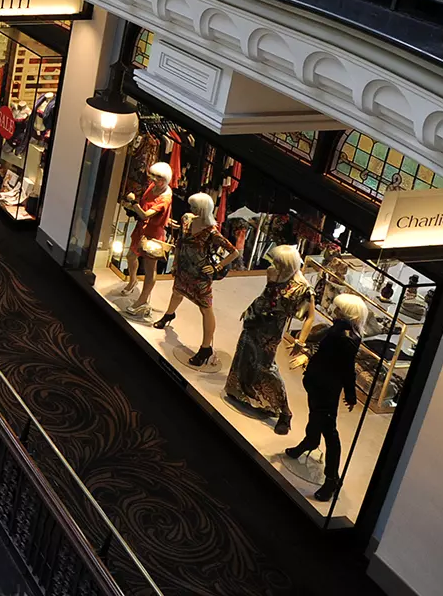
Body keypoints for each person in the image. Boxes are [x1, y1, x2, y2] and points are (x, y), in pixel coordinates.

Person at [283, 293, 365, 502]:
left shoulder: (345, 336)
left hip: (327, 387)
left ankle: (332, 479)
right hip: (319, 383)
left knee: (330, 431)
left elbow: (347, 369)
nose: (333, 310)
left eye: (338, 308)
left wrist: (350, 393)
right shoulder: (340, 331)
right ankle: (310, 440)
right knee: (316, 416)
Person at [225, 245, 311, 436]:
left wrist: (301, 340)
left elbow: (309, 317)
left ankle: (285, 411)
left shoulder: (302, 288)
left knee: (267, 367)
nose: (273, 265)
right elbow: (265, 295)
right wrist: (249, 311)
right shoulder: (275, 273)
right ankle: (241, 392)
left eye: (277, 262)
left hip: (272, 330)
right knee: (244, 354)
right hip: (254, 319)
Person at [151, 193, 240, 367]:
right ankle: (169, 314)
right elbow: (180, 243)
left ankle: (206, 348)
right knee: (177, 292)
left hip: (200, 273)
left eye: (194, 207)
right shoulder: (186, 219)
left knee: (205, 308)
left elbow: (234, 252)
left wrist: (217, 266)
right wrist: (175, 264)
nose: (190, 209)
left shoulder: (211, 230)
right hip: (184, 267)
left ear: (202, 209)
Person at [120, 162, 175, 317]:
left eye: (159, 177)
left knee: (150, 269)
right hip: (141, 229)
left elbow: (145, 214)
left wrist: (133, 202)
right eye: (153, 176)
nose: (154, 179)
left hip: (153, 234)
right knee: (131, 256)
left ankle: (142, 300)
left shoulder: (165, 198)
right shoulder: (153, 187)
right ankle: (133, 281)